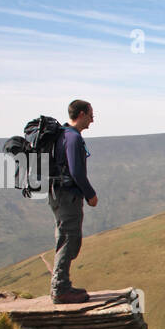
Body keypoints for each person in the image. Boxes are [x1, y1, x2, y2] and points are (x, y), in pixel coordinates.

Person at [48, 99, 99, 303]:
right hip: (68, 194)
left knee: (65, 236)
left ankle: (62, 285)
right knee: (69, 238)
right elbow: (76, 171)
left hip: (57, 193)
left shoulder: (63, 134)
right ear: (81, 114)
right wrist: (90, 194)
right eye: (90, 114)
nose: (92, 120)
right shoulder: (73, 138)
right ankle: (60, 289)